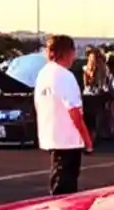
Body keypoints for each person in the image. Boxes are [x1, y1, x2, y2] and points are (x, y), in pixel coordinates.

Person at [34, 35, 92, 195]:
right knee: (65, 183)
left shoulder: (43, 74)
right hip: (68, 139)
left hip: (51, 135)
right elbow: (74, 111)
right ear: (68, 53)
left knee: (58, 176)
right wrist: (87, 139)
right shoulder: (65, 76)